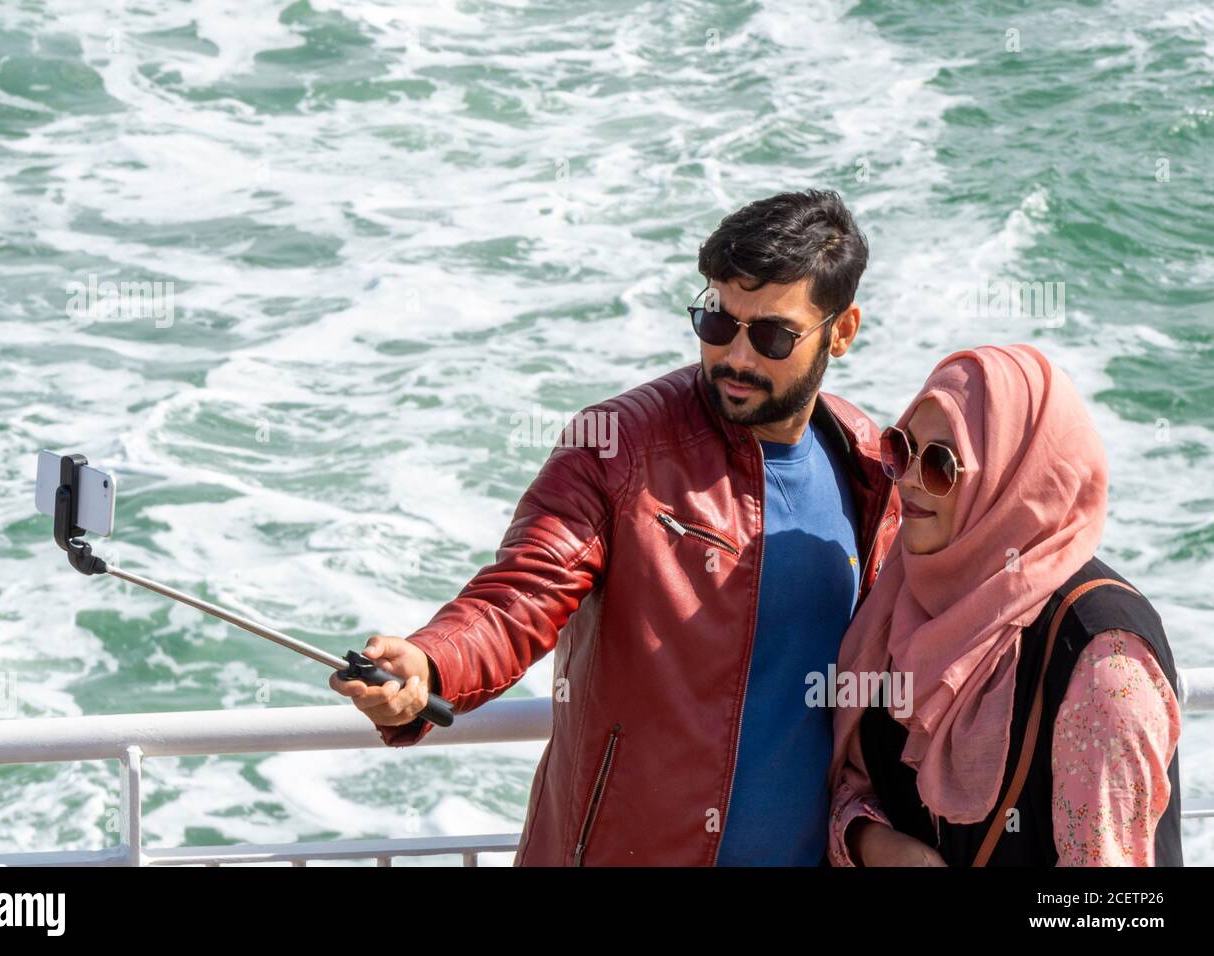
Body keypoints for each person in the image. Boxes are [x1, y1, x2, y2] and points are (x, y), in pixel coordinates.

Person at [329, 189, 901, 865]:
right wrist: (431, 662)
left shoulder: (870, 464)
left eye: (773, 335)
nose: (736, 356)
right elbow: (523, 591)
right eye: (718, 322)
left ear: (842, 330)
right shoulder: (620, 446)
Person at [827, 343, 1182, 867]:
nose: (908, 480)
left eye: (942, 464)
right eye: (900, 449)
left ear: (1013, 476)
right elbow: (851, 787)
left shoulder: (1101, 661)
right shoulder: (902, 600)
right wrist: (874, 845)